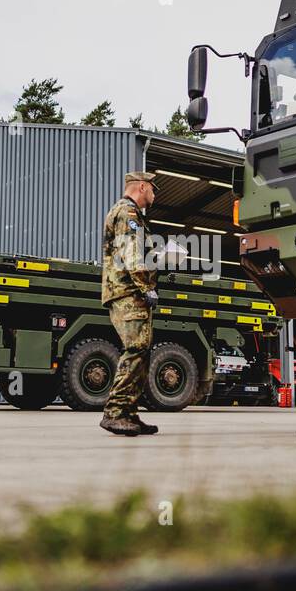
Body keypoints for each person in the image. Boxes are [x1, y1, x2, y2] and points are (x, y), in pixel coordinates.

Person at [99, 170, 160, 436]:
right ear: (143, 187)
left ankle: (129, 414)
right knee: (135, 349)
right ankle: (115, 413)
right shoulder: (128, 213)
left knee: (141, 351)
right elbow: (131, 253)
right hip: (128, 292)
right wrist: (147, 287)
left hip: (125, 290)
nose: (154, 195)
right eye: (153, 189)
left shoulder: (126, 212)